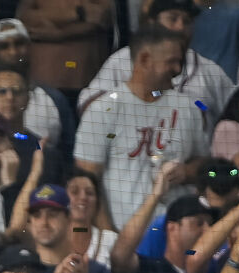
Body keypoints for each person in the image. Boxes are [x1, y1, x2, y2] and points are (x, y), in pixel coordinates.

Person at [72, 26, 206, 227]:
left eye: (180, 62)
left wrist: (187, 172)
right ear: (144, 60)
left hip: (174, 236)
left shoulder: (188, 108)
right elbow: (87, 181)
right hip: (123, 231)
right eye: (171, 62)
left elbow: (206, 166)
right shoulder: (104, 109)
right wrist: (109, 237)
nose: (178, 70)